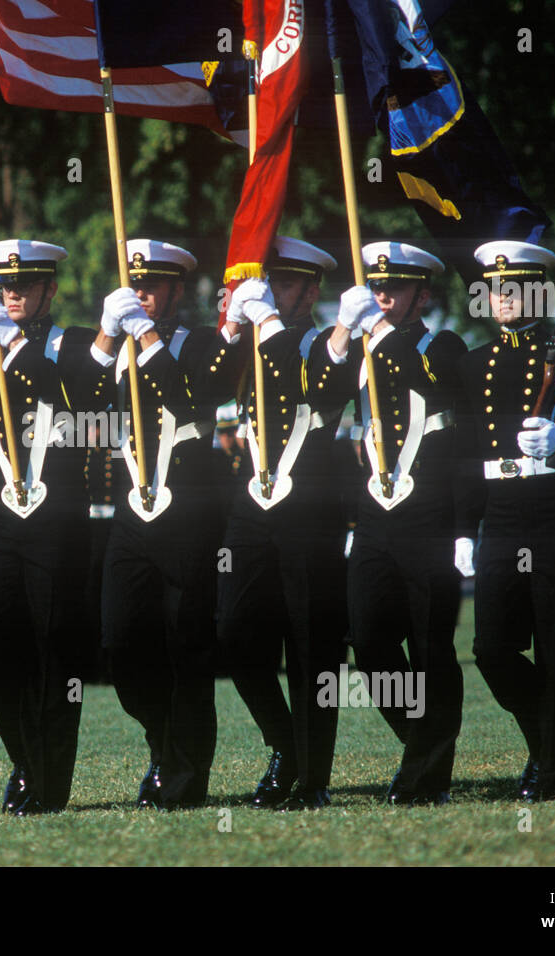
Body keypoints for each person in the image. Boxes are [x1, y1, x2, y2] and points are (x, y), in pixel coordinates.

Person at [88, 239, 245, 809]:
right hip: (133, 507)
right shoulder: (119, 338)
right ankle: (162, 741)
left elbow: (188, 397)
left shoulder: (203, 343)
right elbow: (76, 399)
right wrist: (108, 335)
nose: (143, 293)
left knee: (187, 646)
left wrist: (145, 337)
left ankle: (186, 774)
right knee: (120, 642)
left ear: (178, 289)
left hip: (190, 509)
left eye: (154, 284)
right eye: (136, 283)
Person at [455, 241, 555, 802]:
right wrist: (460, 527)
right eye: (494, 288)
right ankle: (547, 744)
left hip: (554, 510)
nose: (500, 297)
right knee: (493, 647)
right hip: (500, 511)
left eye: (512, 288)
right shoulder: (472, 365)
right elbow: (468, 455)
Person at [318, 241, 467, 805]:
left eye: (395, 290)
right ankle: (421, 747)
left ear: (421, 294)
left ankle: (425, 772)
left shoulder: (442, 345)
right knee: (371, 643)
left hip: (429, 514)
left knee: (431, 646)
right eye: (376, 289)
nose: (383, 297)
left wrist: (375, 334)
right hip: (374, 517)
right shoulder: (358, 348)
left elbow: (428, 378)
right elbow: (322, 398)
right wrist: (340, 331)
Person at [0, 238, 96, 814]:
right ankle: (25, 759)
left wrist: (14, 345)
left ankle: (49, 779)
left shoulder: (79, 345)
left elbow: (80, 412)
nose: (13, 294)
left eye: (25, 286)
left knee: (54, 651)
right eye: (6, 285)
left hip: (59, 519)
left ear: (49, 290)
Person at [215, 238, 349, 810]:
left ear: (312, 290)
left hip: (311, 507)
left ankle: (314, 776)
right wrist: (229, 330)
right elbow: (206, 387)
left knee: (312, 647)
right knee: (237, 636)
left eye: (284, 284)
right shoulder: (251, 339)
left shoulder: (329, 341)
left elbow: (312, 385)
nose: (270, 293)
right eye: (266, 283)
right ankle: (284, 744)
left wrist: (266, 317)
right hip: (253, 504)